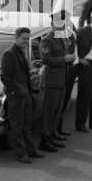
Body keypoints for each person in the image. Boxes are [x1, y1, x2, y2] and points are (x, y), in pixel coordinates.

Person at [0, 27, 44, 163]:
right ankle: (21, 153)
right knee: (17, 126)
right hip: (16, 97)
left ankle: (31, 150)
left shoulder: (21, 52)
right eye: (23, 38)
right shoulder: (9, 54)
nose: (26, 41)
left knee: (27, 124)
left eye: (27, 38)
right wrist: (16, 91)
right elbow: (5, 77)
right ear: (16, 38)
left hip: (25, 95)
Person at [36, 17, 72, 151]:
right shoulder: (47, 40)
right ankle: (45, 139)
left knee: (56, 111)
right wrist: (64, 59)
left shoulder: (61, 39)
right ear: (52, 24)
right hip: (51, 80)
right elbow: (45, 59)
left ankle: (52, 135)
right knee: (48, 112)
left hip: (61, 79)